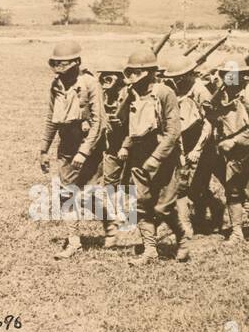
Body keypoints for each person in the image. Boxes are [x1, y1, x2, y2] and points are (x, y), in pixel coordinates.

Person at [116, 49, 188, 263]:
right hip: (139, 156)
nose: (131, 78)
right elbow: (129, 125)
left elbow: (173, 132)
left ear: (148, 72)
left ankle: (182, 237)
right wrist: (126, 147)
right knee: (140, 203)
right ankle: (150, 250)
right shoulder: (131, 95)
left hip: (164, 158)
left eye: (136, 73)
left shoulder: (165, 93)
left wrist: (156, 158)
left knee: (162, 206)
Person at [37, 40, 104, 259]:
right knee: (66, 193)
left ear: (77, 63)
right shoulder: (56, 85)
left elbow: (98, 122)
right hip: (66, 143)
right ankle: (74, 241)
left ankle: (111, 227)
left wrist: (84, 151)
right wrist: (44, 149)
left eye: (65, 66)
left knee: (92, 194)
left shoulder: (90, 83)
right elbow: (51, 118)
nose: (61, 71)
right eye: (57, 65)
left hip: (89, 144)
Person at [205, 56, 249, 243]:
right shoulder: (222, 92)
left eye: (232, 75)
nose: (228, 77)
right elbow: (217, 115)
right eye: (225, 74)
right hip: (231, 152)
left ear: (243, 75)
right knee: (232, 191)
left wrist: (235, 141)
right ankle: (237, 232)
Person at [163, 53, 221, 238]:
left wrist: (197, 149)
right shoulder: (174, 91)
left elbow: (209, 123)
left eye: (179, 77)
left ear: (189, 74)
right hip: (182, 142)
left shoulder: (201, 92)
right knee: (180, 186)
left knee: (197, 188)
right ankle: (186, 225)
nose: (176, 81)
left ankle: (215, 210)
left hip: (203, 145)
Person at [97, 59, 132, 249]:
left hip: (134, 144)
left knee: (134, 185)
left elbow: (138, 123)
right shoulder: (102, 94)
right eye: (102, 75)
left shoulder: (130, 94)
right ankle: (115, 224)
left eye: (109, 75)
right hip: (111, 146)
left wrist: (126, 142)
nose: (105, 78)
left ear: (120, 77)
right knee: (110, 184)